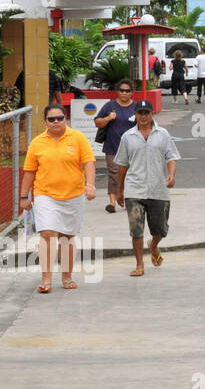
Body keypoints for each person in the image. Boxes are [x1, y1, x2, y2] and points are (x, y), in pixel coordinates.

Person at [17, 104, 96, 292]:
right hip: (45, 195)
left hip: (73, 196)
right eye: (51, 119)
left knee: (67, 237)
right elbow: (29, 171)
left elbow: (89, 163)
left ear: (65, 118)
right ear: (45, 122)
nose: (56, 122)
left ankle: (67, 277)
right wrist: (23, 197)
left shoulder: (78, 138)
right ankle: (46, 279)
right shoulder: (37, 143)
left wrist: (90, 185)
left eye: (59, 118)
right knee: (47, 234)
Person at [113, 100, 180, 277]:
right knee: (136, 229)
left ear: (152, 114)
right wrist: (119, 190)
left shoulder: (163, 134)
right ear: (135, 115)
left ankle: (154, 245)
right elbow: (122, 165)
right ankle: (139, 264)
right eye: (140, 113)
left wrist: (171, 174)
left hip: (159, 189)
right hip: (134, 189)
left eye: (146, 113)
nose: (143, 116)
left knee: (161, 230)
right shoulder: (128, 137)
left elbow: (171, 157)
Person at [95, 81, 138, 214]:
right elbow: (98, 123)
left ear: (132, 92)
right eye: (122, 90)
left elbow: (145, 123)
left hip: (132, 148)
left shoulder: (136, 107)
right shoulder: (110, 106)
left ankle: (127, 200)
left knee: (129, 175)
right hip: (112, 146)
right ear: (117, 91)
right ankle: (112, 203)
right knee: (114, 174)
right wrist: (109, 118)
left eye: (127, 90)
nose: (124, 93)